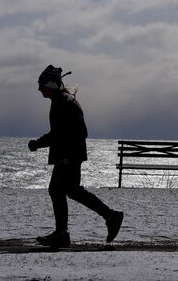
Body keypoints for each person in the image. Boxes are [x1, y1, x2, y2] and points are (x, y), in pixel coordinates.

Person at [28, 65, 123, 248]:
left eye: (42, 85)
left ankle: (64, 233)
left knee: (59, 190)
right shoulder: (61, 101)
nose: (39, 89)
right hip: (69, 155)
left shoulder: (63, 102)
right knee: (71, 191)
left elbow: (72, 132)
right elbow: (61, 132)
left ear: (51, 85)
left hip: (68, 157)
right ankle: (109, 216)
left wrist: (39, 144)